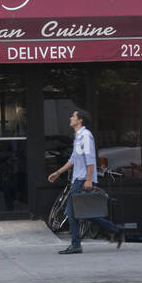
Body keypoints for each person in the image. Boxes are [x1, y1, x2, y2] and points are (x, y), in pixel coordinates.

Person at [48, 108, 123, 254]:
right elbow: (72, 160)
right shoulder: (78, 136)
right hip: (78, 179)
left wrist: (88, 180)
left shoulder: (86, 136)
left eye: (73, 116)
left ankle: (76, 244)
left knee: (73, 213)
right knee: (83, 213)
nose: (70, 118)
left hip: (82, 180)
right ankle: (115, 231)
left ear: (80, 120)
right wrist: (57, 173)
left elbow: (90, 160)